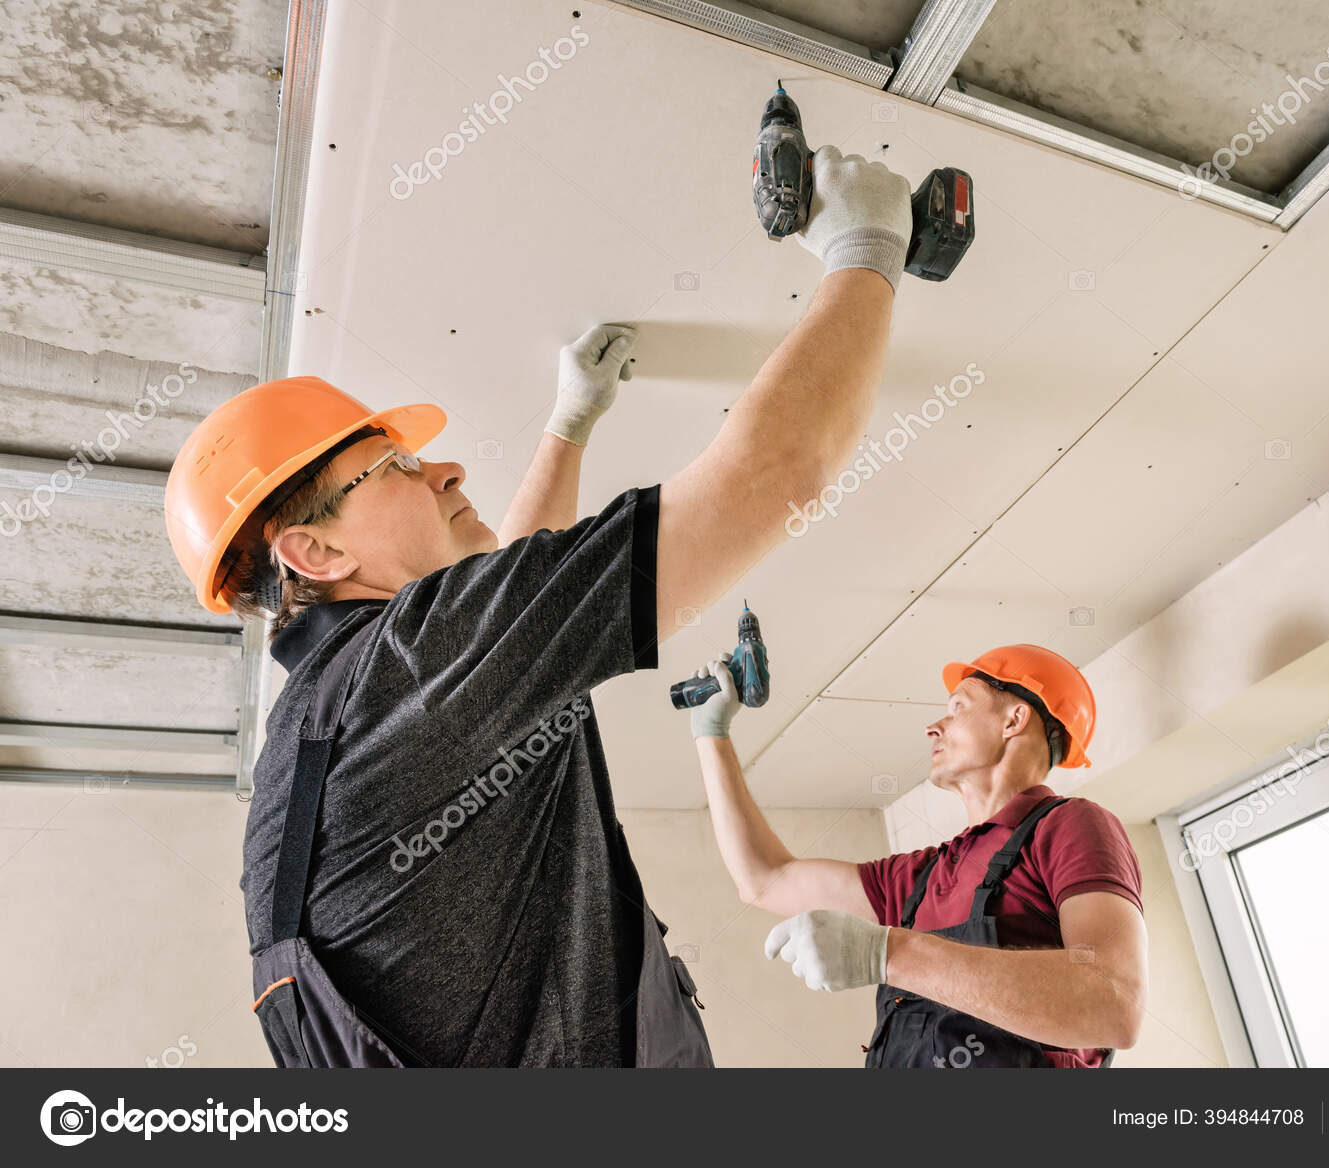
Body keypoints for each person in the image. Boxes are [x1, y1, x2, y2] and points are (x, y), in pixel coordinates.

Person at [162, 146, 915, 1066]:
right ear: (315, 551)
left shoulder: (320, 735)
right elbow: (772, 477)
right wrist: (869, 245)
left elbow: (508, 622)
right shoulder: (416, 665)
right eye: (394, 466)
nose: (443, 468)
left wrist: (571, 423)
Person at [685, 643, 1147, 1067]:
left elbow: (1113, 1002)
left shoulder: (1069, 825)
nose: (933, 727)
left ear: (1014, 720)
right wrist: (712, 734)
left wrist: (888, 952)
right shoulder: (921, 876)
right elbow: (765, 879)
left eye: (958, 707)